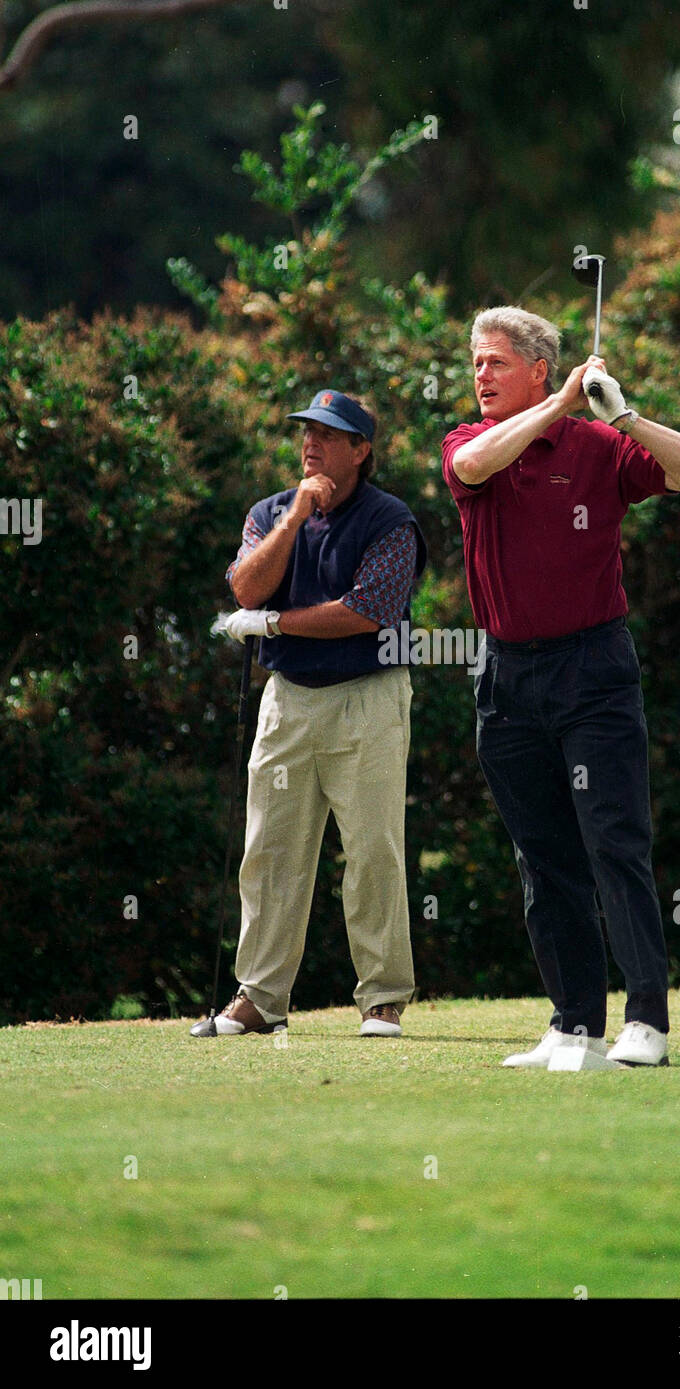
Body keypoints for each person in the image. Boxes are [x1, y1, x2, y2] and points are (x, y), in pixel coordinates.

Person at [441, 308, 680, 1069]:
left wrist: (622, 414)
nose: (481, 376)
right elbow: (472, 469)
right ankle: (572, 1025)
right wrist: (556, 405)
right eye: (475, 363)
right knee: (543, 856)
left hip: (592, 672)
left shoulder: (600, 446)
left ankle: (647, 1024)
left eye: (496, 363)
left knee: (614, 844)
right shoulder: (472, 443)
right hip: (506, 677)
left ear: (538, 366)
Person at [192, 389, 427, 1039]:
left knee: (372, 851)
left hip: (368, 696)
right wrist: (293, 516)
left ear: (361, 450)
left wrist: (271, 622)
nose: (311, 444)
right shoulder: (271, 511)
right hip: (288, 699)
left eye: (328, 434)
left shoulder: (391, 520)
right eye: (306, 432)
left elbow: (366, 611)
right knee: (270, 852)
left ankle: (382, 998)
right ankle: (259, 998)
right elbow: (245, 586)